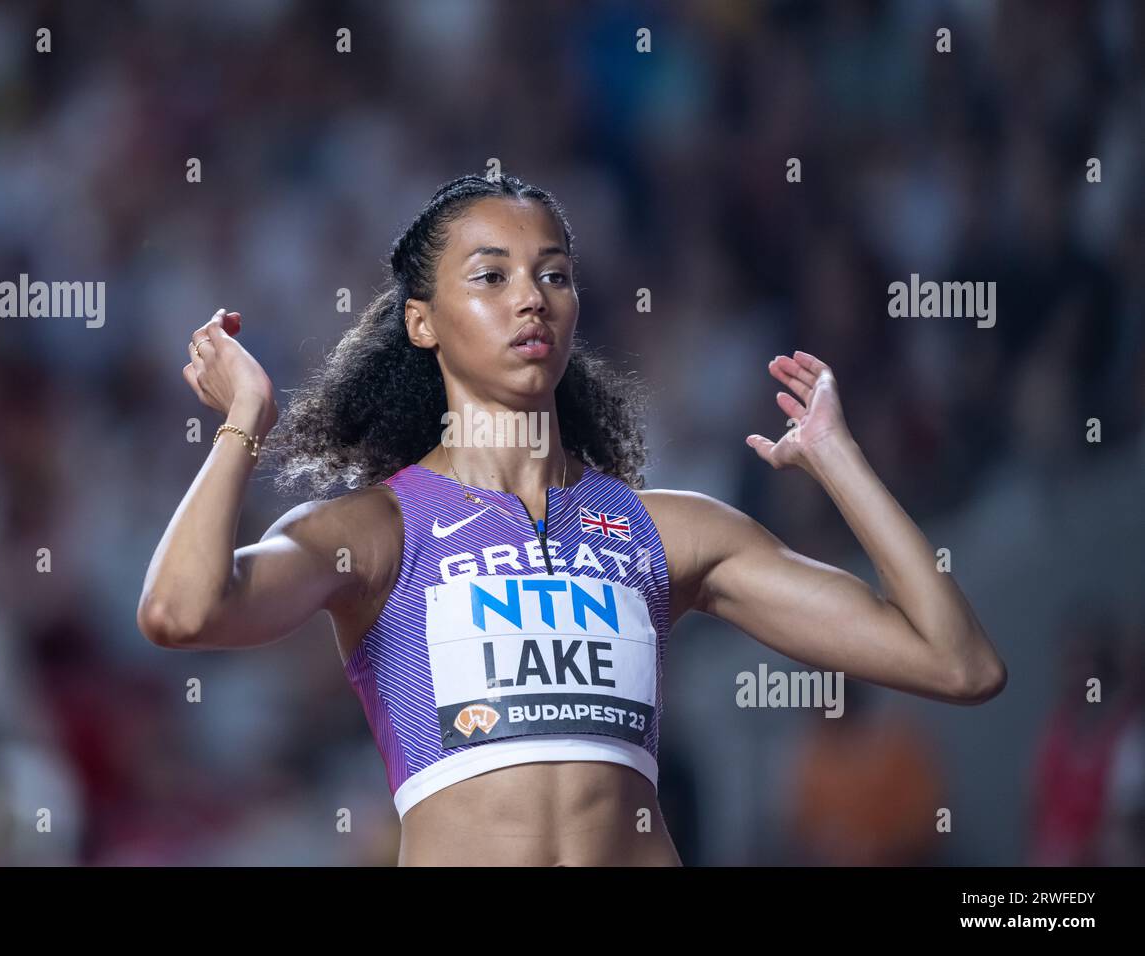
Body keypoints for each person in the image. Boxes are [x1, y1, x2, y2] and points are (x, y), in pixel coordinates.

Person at [136, 173, 1007, 866]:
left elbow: (958, 663)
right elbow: (180, 610)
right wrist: (245, 418)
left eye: (553, 273)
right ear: (422, 322)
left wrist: (838, 459)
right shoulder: (378, 532)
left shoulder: (668, 532)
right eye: (492, 276)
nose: (532, 298)